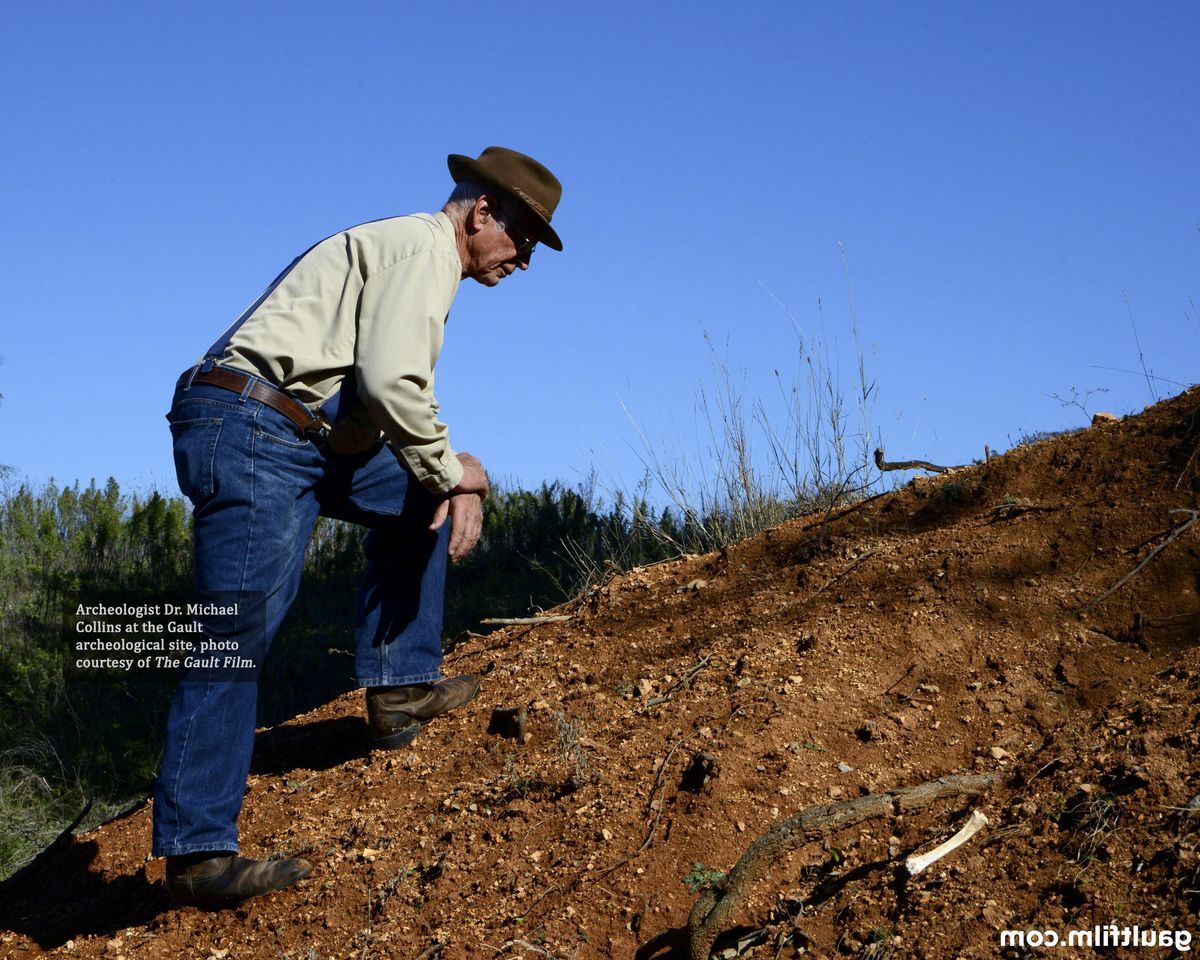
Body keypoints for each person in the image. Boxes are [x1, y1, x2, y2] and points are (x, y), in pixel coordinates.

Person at [152, 147, 564, 908]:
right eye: (525, 237)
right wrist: (453, 469)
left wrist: (441, 473)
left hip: (298, 434)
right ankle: (199, 852)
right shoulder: (422, 249)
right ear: (481, 213)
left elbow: (373, 402)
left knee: (420, 495)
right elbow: (389, 381)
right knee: (234, 630)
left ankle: (400, 685)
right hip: (254, 427)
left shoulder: (416, 256)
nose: (526, 259)